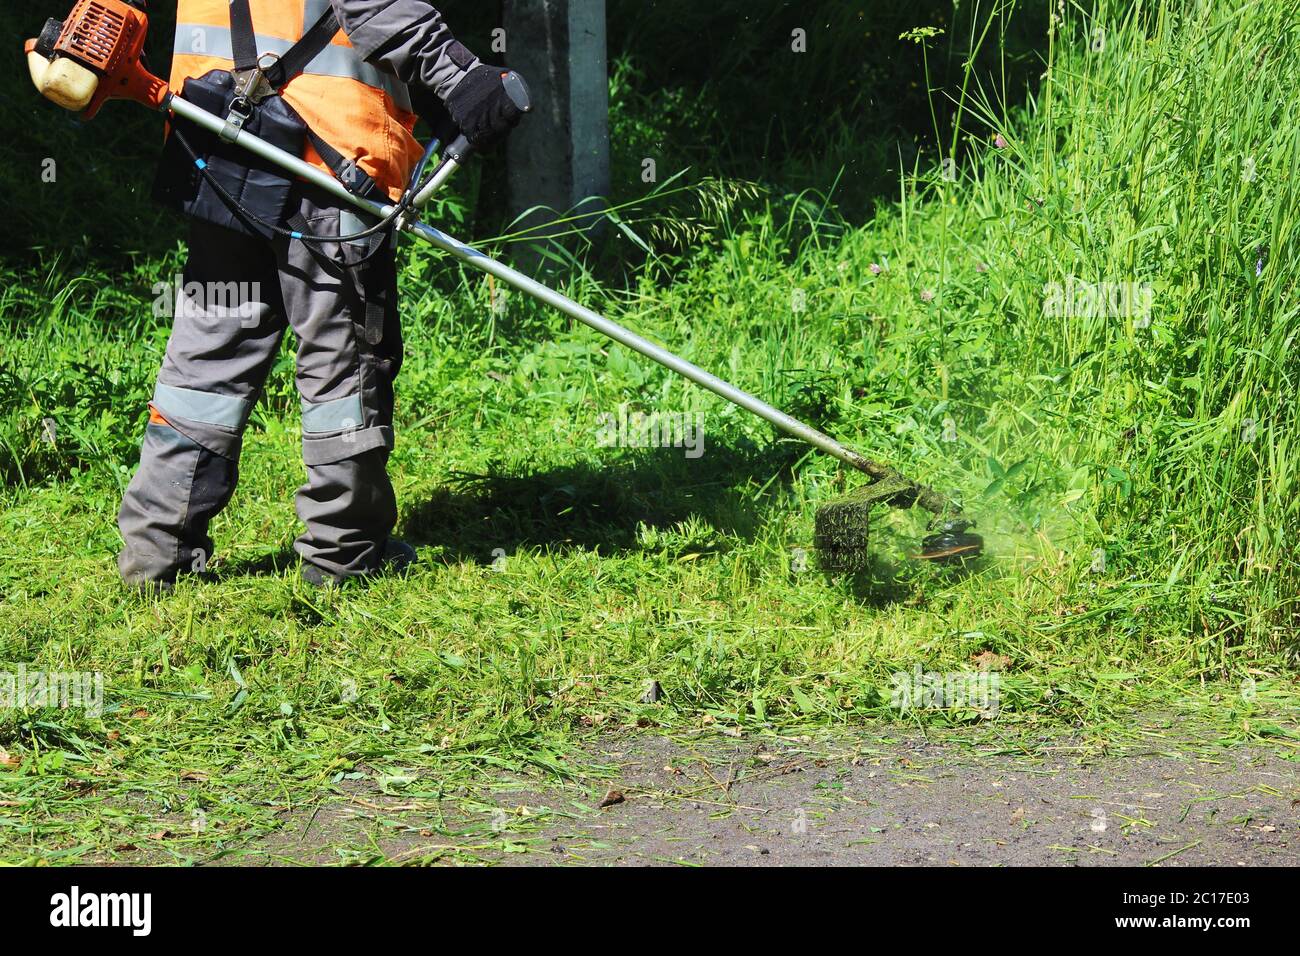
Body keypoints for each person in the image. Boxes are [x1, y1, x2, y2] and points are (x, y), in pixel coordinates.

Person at [117, 0, 524, 589]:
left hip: (219, 138)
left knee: (205, 363)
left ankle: (157, 554)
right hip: (328, 166)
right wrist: (459, 76)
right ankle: (344, 555)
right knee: (344, 367)